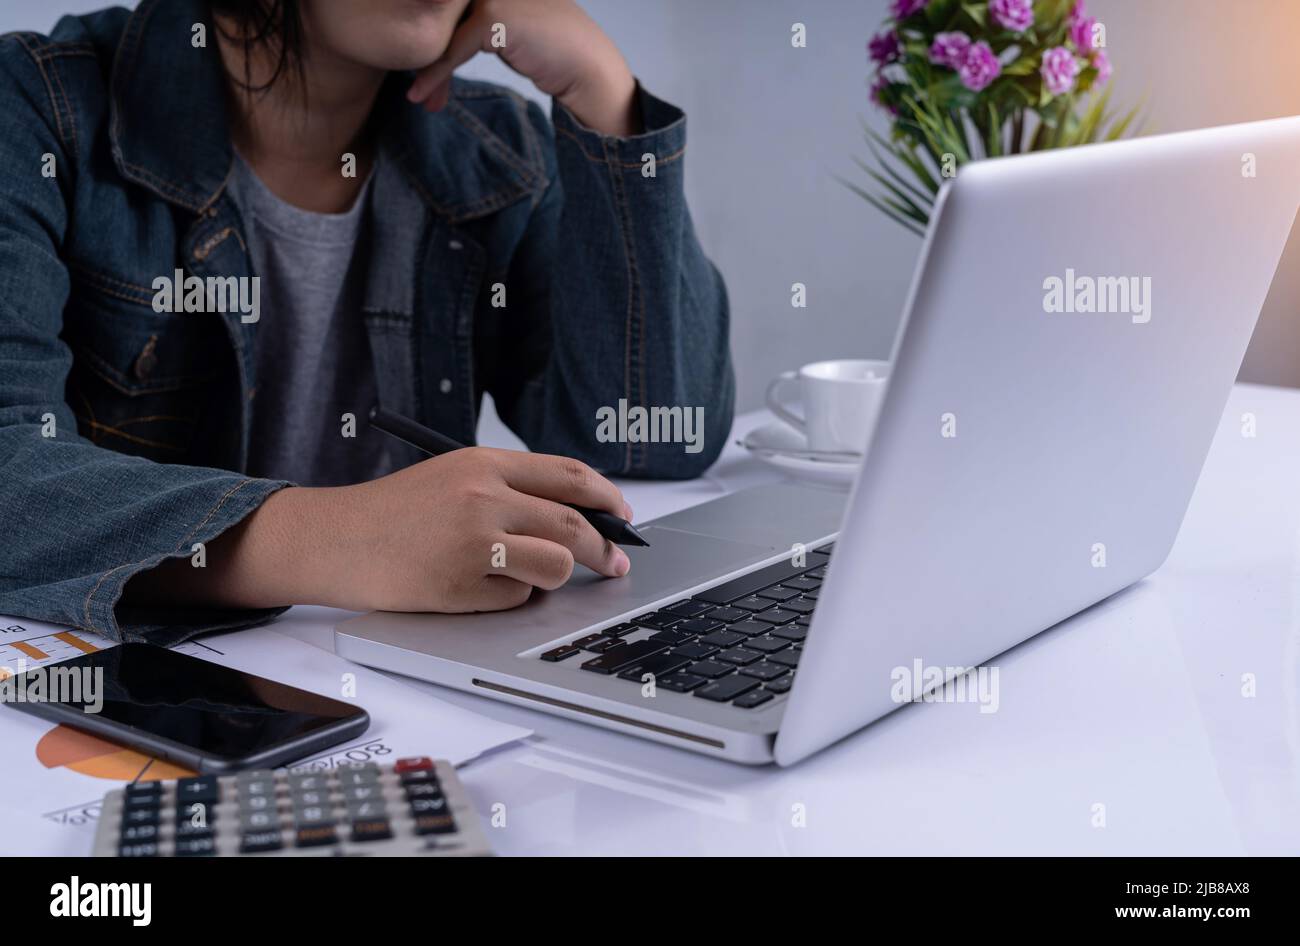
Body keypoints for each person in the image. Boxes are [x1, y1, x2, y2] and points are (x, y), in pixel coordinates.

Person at [0, 0, 733, 646]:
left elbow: (648, 442)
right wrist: (340, 540)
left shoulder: (495, 146)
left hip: (406, 680)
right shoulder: (35, 105)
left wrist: (604, 99)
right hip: (148, 703)